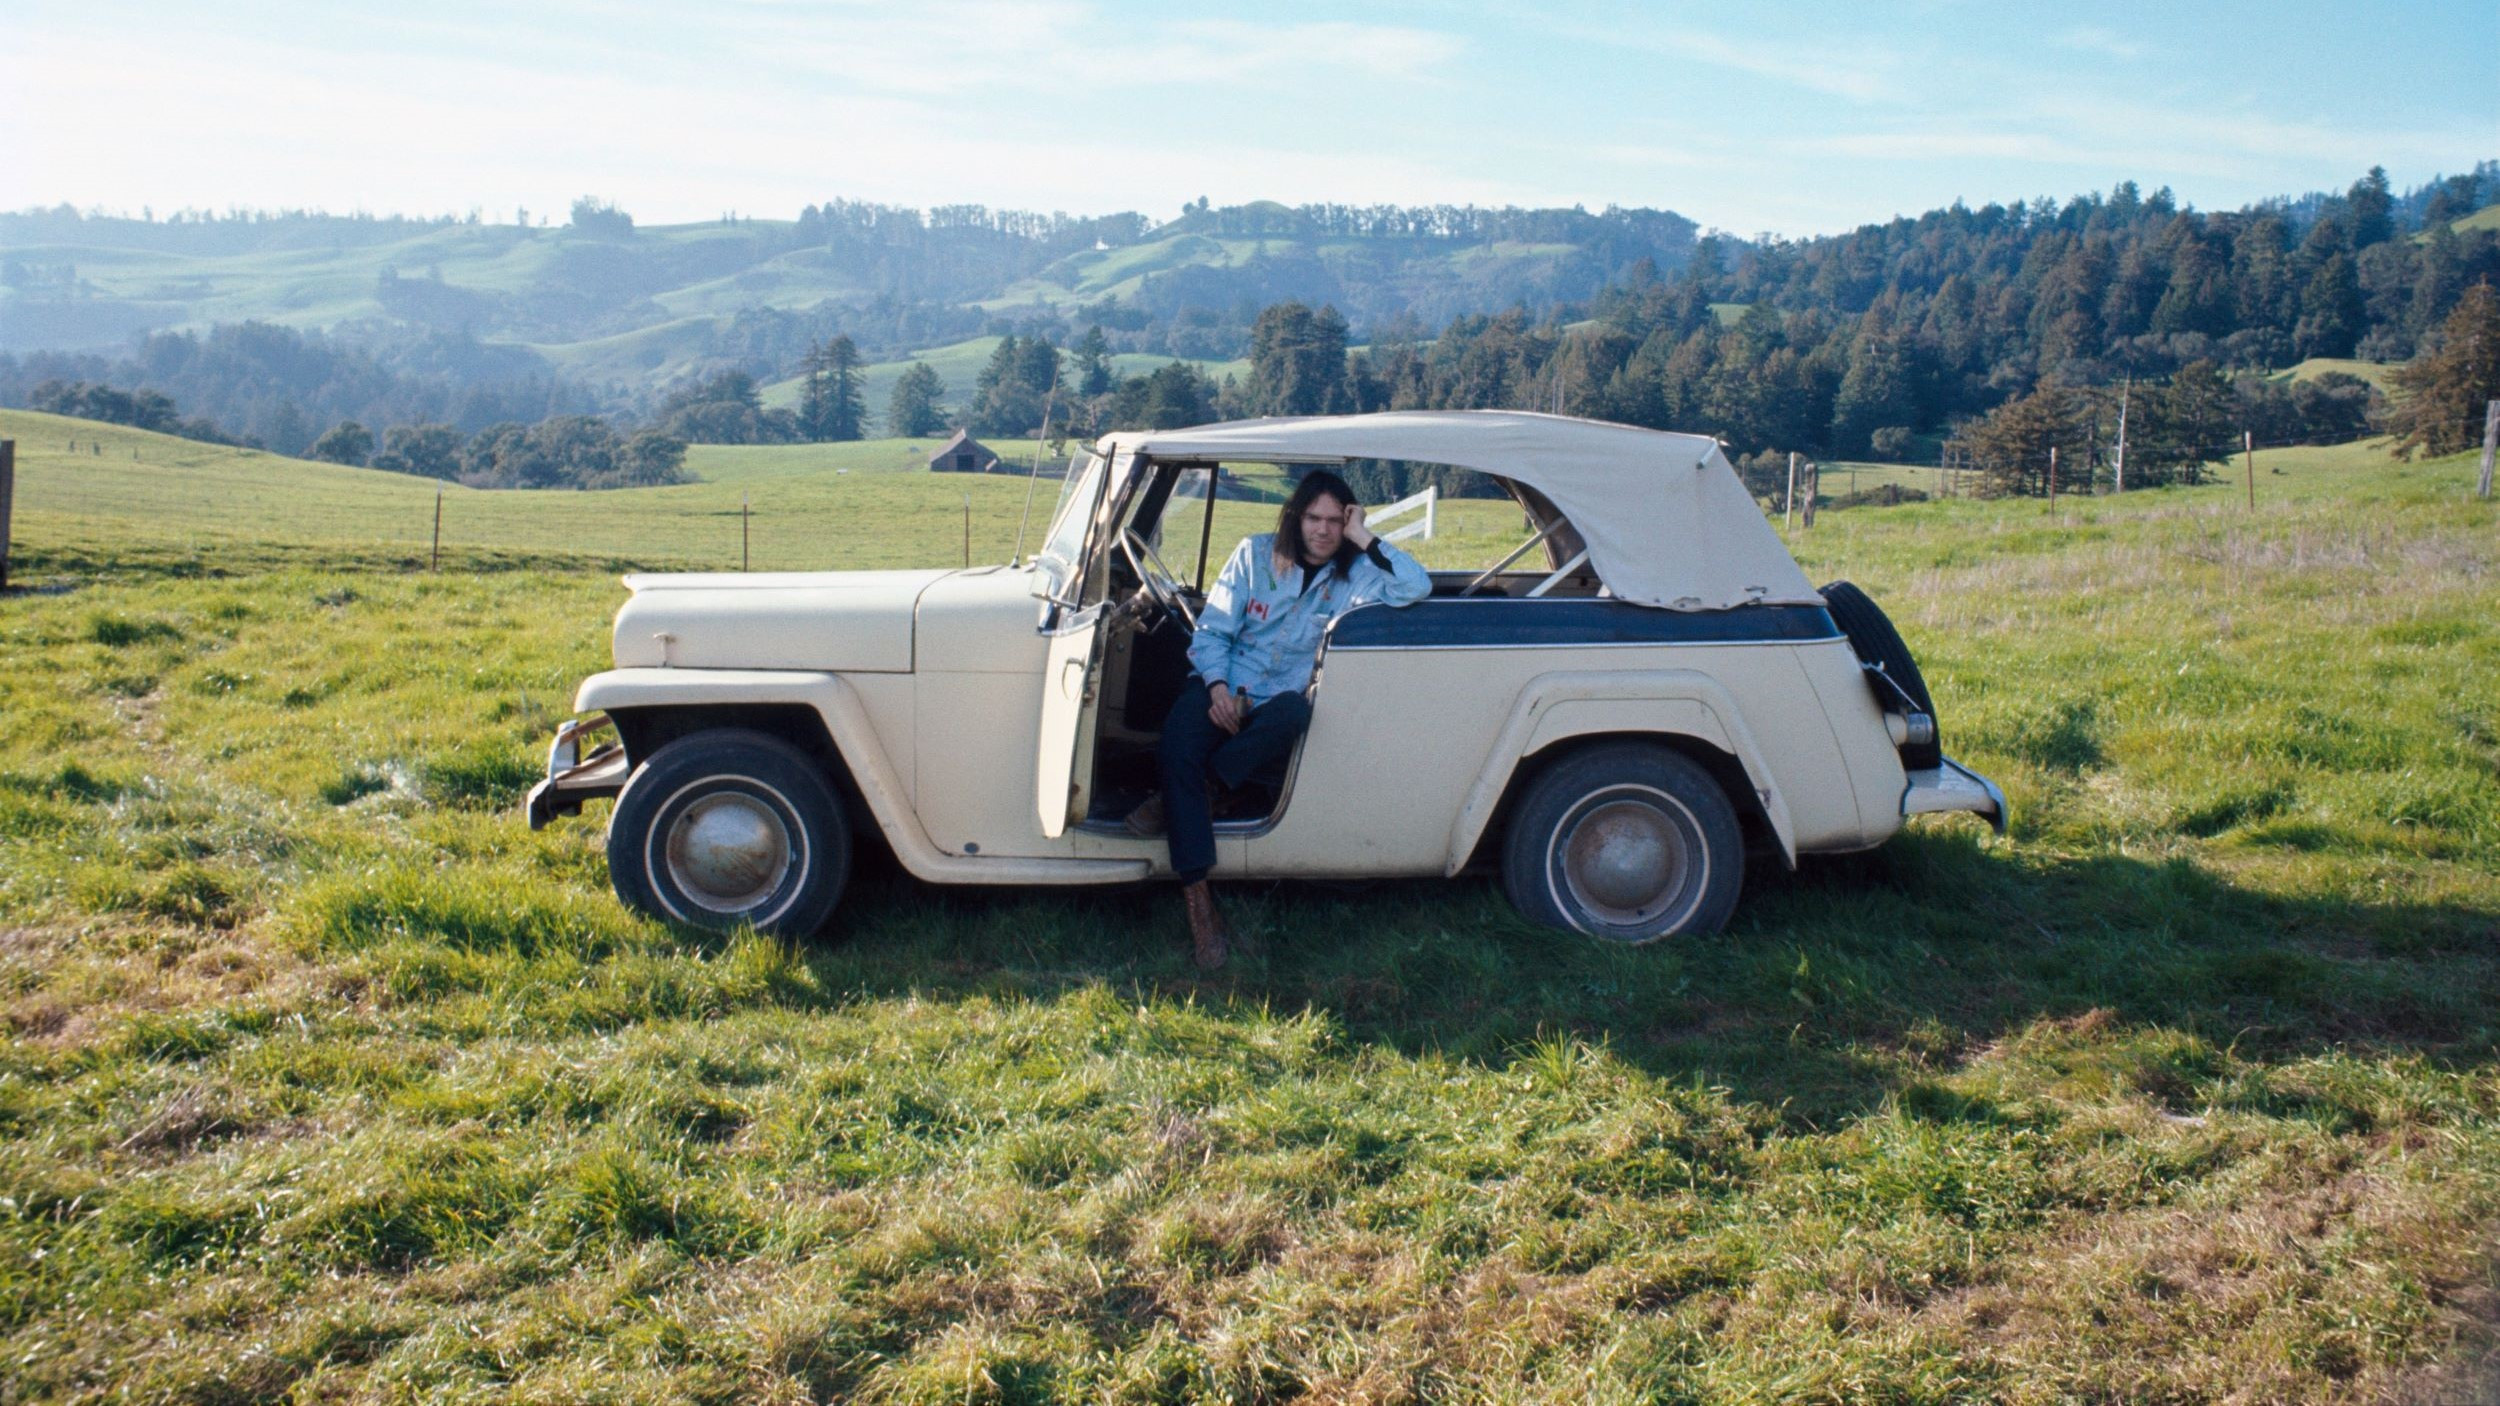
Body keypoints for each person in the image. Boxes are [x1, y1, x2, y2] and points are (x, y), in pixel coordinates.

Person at [1127, 469, 1431, 969]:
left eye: (1337, 520)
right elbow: (1213, 632)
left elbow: (1414, 586)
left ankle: (1203, 789)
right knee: (1178, 744)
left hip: (1277, 701)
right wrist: (1218, 688)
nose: (1324, 530)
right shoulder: (1254, 554)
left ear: (1348, 522)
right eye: (1315, 517)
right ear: (1297, 516)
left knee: (1294, 713)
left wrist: (1365, 537)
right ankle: (1199, 902)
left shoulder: (1356, 573)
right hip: (1223, 683)